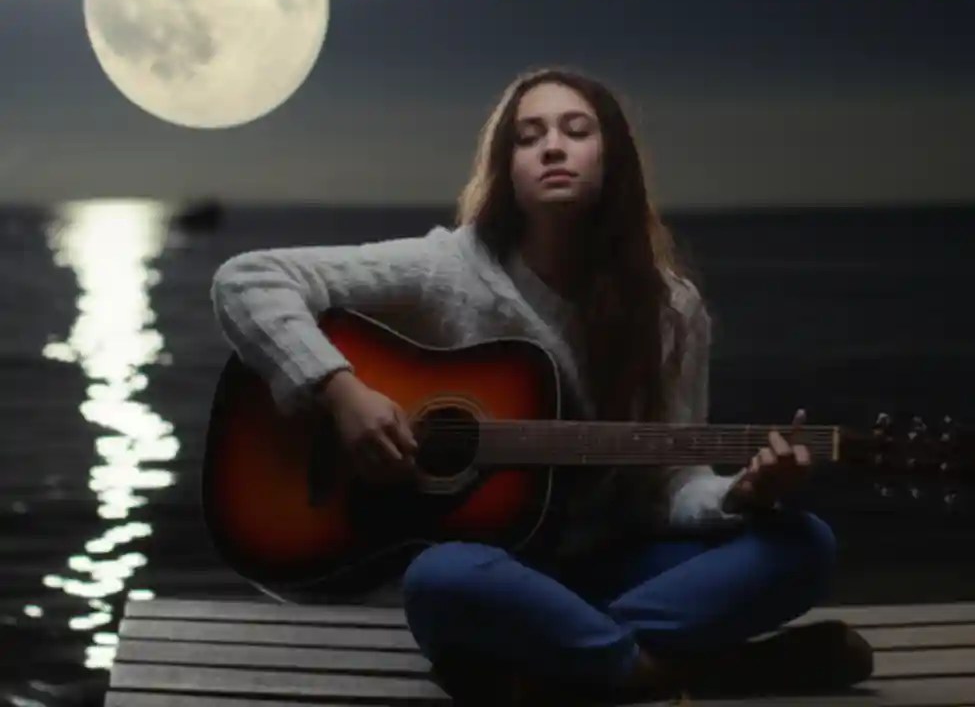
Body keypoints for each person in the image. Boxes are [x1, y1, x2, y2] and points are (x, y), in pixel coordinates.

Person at [210, 66, 873, 705]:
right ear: (507, 169)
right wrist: (340, 391)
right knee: (441, 577)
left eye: (576, 130)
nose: (552, 146)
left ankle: (565, 662)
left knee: (802, 543)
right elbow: (248, 280)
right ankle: (670, 668)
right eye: (528, 137)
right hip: (502, 573)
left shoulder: (672, 311)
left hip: (614, 568)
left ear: (613, 158)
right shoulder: (449, 268)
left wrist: (742, 494)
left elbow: (671, 482)